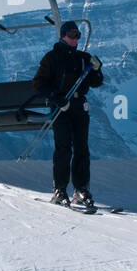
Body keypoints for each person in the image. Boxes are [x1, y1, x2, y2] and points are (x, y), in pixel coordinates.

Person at [31, 21, 103, 207]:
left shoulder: (83, 58)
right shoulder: (52, 57)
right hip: (61, 107)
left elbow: (96, 82)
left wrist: (97, 69)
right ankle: (60, 189)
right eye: (71, 35)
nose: (75, 38)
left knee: (82, 148)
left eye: (77, 35)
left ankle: (81, 189)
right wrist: (56, 97)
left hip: (79, 104)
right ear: (63, 35)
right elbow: (39, 83)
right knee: (63, 148)